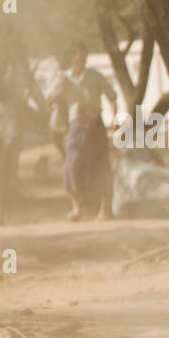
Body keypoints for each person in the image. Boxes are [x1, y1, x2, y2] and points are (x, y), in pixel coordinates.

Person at [50, 45, 117, 221]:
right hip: (75, 127)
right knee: (71, 165)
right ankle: (77, 206)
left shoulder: (95, 76)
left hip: (95, 124)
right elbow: (49, 98)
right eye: (79, 58)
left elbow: (112, 96)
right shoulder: (64, 78)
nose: (82, 61)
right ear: (71, 58)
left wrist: (115, 119)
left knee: (102, 165)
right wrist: (62, 91)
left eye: (84, 58)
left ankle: (106, 208)